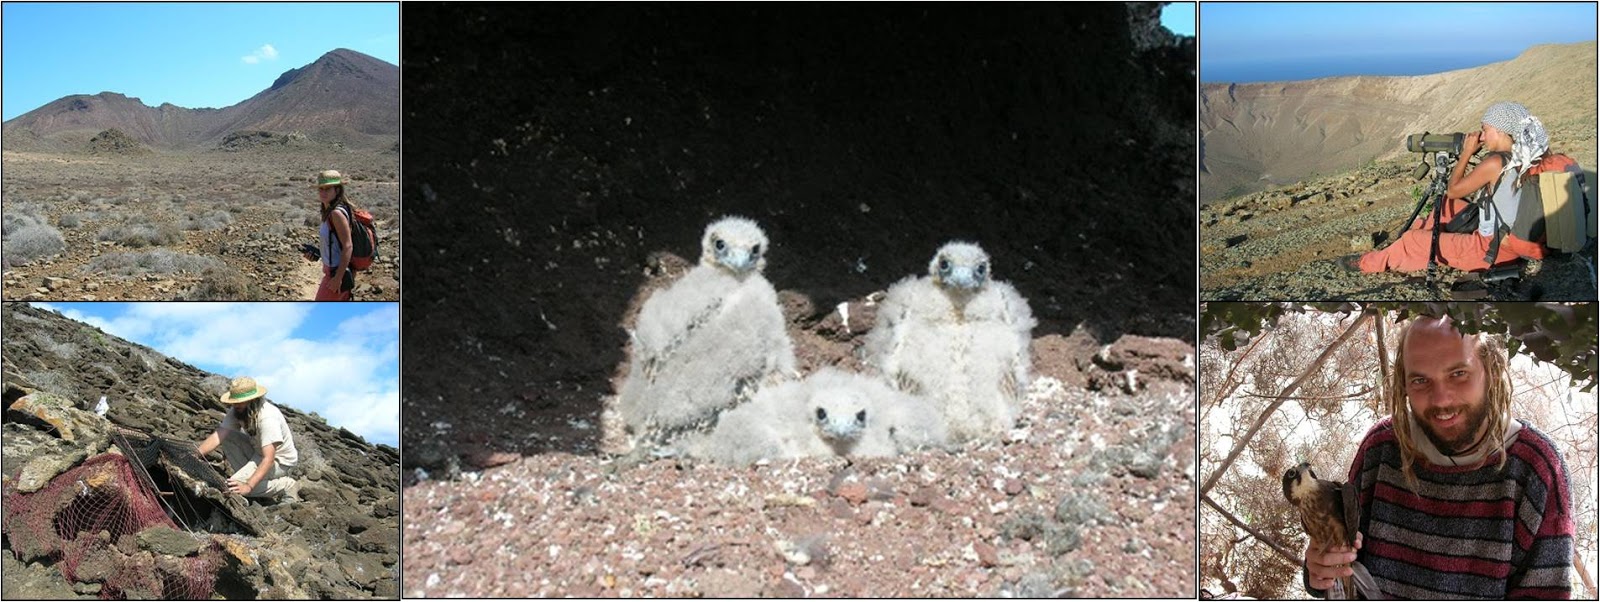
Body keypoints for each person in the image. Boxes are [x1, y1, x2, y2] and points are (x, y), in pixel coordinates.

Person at [1302, 315, 1573, 599]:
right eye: (1420, 380)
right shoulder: (1380, 448)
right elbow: (1342, 570)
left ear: (1490, 370)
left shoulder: (1537, 469)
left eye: (1458, 374)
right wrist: (1320, 571)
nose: (1441, 399)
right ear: (1404, 384)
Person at [1352, 102, 1552, 273]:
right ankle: (1428, 236)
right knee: (1448, 205)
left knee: (1411, 238)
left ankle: (1367, 263)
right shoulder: (1526, 155)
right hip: (1512, 237)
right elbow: (1456, 196)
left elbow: (1454, 189)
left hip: (1489, 250)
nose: (1481, 136)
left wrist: (1466, 153)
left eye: (1485, 129)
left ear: (1499, 130)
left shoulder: (1496, 163)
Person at [196, 376, 301, 502]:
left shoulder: (267, 419)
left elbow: (269, 458)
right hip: (258, 453)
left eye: (239, 401)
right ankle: (249, 479)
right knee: (229, 436)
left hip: (280, 461)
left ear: (252, 400)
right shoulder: (238, 410)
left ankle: (286, 485)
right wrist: (194, 454)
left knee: (234, 487)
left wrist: (248, 486)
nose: (235, 405)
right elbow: (219, 435)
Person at [303, 169, 356, 300]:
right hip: (337, 271)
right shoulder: (331, 211)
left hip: (336, 274)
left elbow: (348, 246)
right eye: (321, 189)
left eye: (327, 189)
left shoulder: (336, 213)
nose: (323, 192)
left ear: (337, 190)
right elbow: (336, 243)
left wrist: (338, 278)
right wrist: (319, 254)